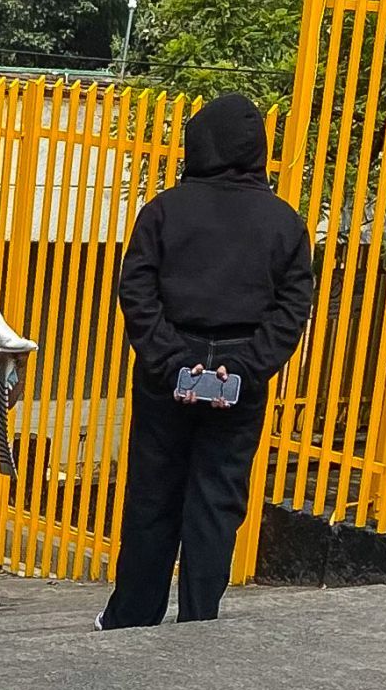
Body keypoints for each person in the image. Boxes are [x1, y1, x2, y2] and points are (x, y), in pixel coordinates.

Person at [100, 93, 315, 629]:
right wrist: (247, 365)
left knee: (153, 500)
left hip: (167, 373)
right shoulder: (284, 222)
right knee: (216, 505)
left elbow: (137, 290)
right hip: (240, 374)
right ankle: (199, 620)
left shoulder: (164, 211)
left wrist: (171, 359)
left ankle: (131, 617)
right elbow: (293, 305)